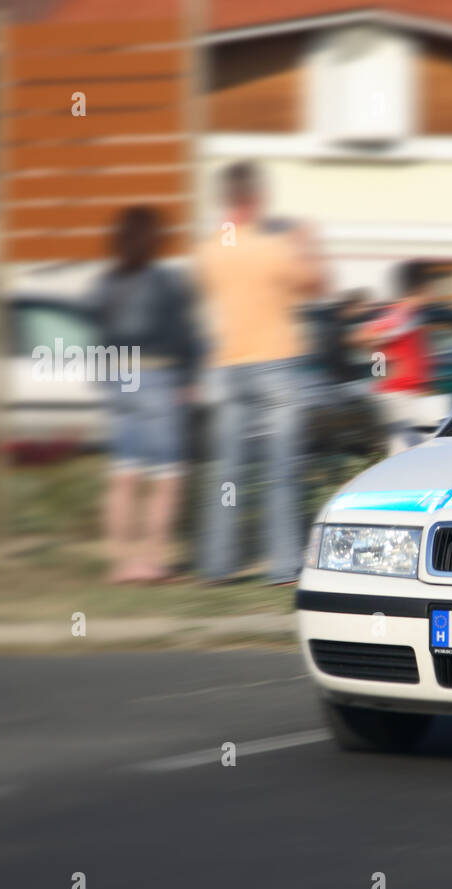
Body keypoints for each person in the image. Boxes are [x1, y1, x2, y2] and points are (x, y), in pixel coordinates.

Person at [197, 162, 326, 585]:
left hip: (229, 368)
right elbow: (317, 285)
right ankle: (282, 564)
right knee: (281, 470)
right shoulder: (278, 248)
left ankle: (217, 565)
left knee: (227, 474)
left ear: (226, 199)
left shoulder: (209, 250)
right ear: (256, 199)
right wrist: (307, 245)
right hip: (277, 364)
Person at [92, 205, 201, 583]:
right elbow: (183, 334)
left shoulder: (105, 282)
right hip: (157, 375)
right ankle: (152, 561)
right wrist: (190, 376)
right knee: (168, 477)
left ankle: (121, 564)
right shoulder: (166, 280)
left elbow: (96, 333)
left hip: (117, 376)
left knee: (124, 475)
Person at [352, 261, 435, 454]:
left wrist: (380, 364)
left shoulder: (411, 314)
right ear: (421, 287)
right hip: (398, 394)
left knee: (408, 452)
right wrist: (381, 366)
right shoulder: (403, 314)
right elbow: (364, 336)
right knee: (406, 453)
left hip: (405, 393)